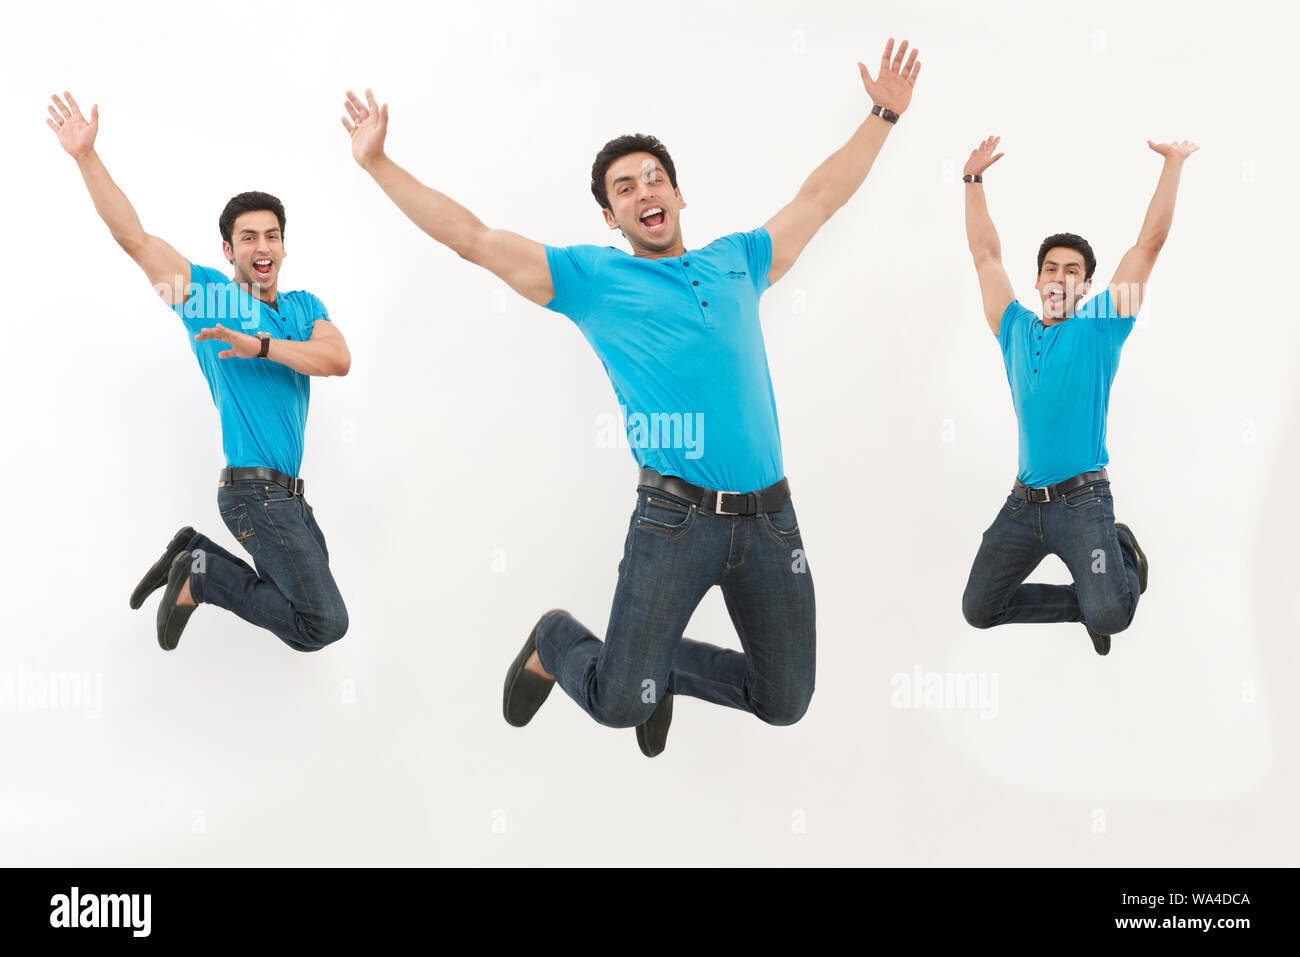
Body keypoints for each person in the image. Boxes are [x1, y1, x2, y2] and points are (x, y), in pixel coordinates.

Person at [342, 38, 921, 754]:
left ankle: (661, 665)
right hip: (674, 522)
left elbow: (820, 197)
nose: (645, 191)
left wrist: (882, 116)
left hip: (772, 522)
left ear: (680, 195)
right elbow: (473, 237)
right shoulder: (593, 280)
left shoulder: (738, 259)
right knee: (619, 704)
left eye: (655, 178)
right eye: (626, 187)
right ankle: (557, 640)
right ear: (612, 219)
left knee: (786, 700)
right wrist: (377, 163)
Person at [46, 91, 352, 654]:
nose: (262, 248)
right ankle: (202, 573)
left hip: (291, 498)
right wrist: (86, 157)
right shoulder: (210, 298)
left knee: (309, 608)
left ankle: (195, 552)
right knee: (323, 623)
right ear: (229, 248)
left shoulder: (306, 306)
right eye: (248, 238)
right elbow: (134, 239)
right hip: (252, 492)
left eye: (272, 236)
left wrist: (261, 345)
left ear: (284, 245)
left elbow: (337, 361)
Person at [959, 134, 1198, 654]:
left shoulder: (1099, 326)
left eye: (1073, 271)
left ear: (1086, 285)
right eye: (1051, 268)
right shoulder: (1014, 328)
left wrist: (1173, 164)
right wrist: (972, 180)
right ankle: (1086, 603)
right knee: (979, 608)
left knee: (1113, 615)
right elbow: (984, 256)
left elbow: (1147, 246)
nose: (1060, 277)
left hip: (1083, 502)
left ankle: (1122, 563)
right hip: (1023, 505)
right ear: (1039, 279)